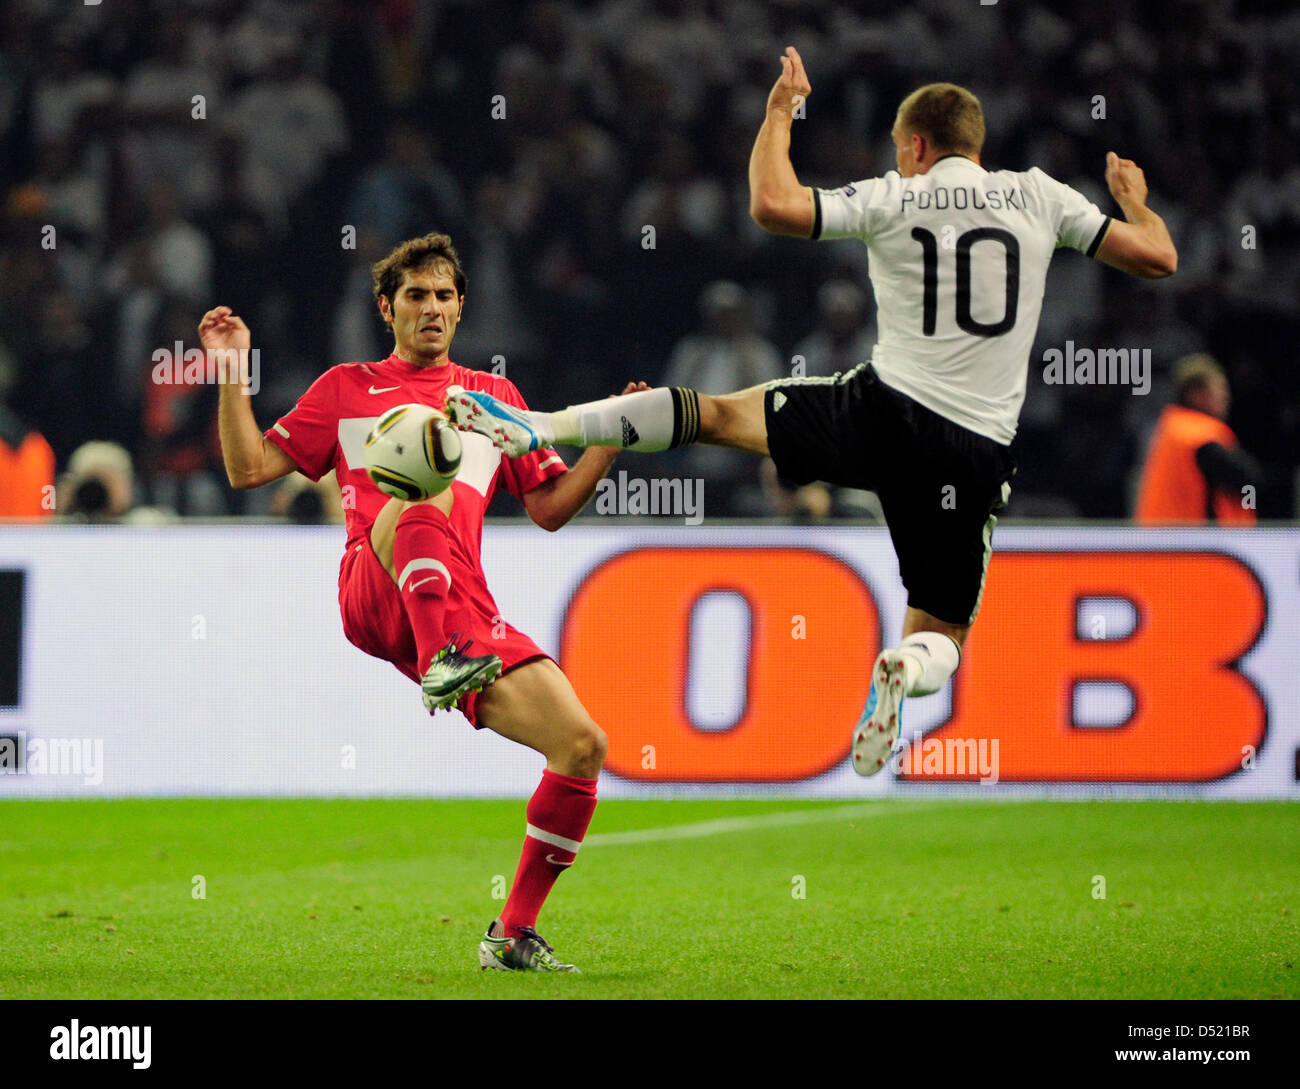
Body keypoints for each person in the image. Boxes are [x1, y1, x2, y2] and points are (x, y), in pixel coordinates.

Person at [446, 48, 1177, 777]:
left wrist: (777, 116)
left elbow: (774, 204)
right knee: (942, 636)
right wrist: (1133, 199)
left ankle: (547, 426)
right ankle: (901, 664)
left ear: (917, 145)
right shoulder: (1042, 195)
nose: (902, 159)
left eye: (900, 149)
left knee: (719, 415)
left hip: (881, 411)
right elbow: (1157, 258)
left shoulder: (895, 196)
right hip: (975, 448)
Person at [202, 232, 632, 973]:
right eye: (415, 296)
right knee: (423, 464)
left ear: (462, 308)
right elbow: (247, 468)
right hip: (375, 585)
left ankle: (510, 935)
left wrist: (609, 442)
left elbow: (550, 507)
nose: (430, 308)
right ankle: (444, 657)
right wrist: (233, 371)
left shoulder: (496, 398)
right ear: (386, 308)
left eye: (443, 296)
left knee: (582, 745)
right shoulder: (344, 387)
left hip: (462, 602)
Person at [1134, 354, 1258, 524]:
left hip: (1161, 543)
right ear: (1196, 394)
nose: (1226, 397)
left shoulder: (1170, 430)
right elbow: (1250, 480)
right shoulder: (1199, 437)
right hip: (1192, 544)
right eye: (1220, 389)